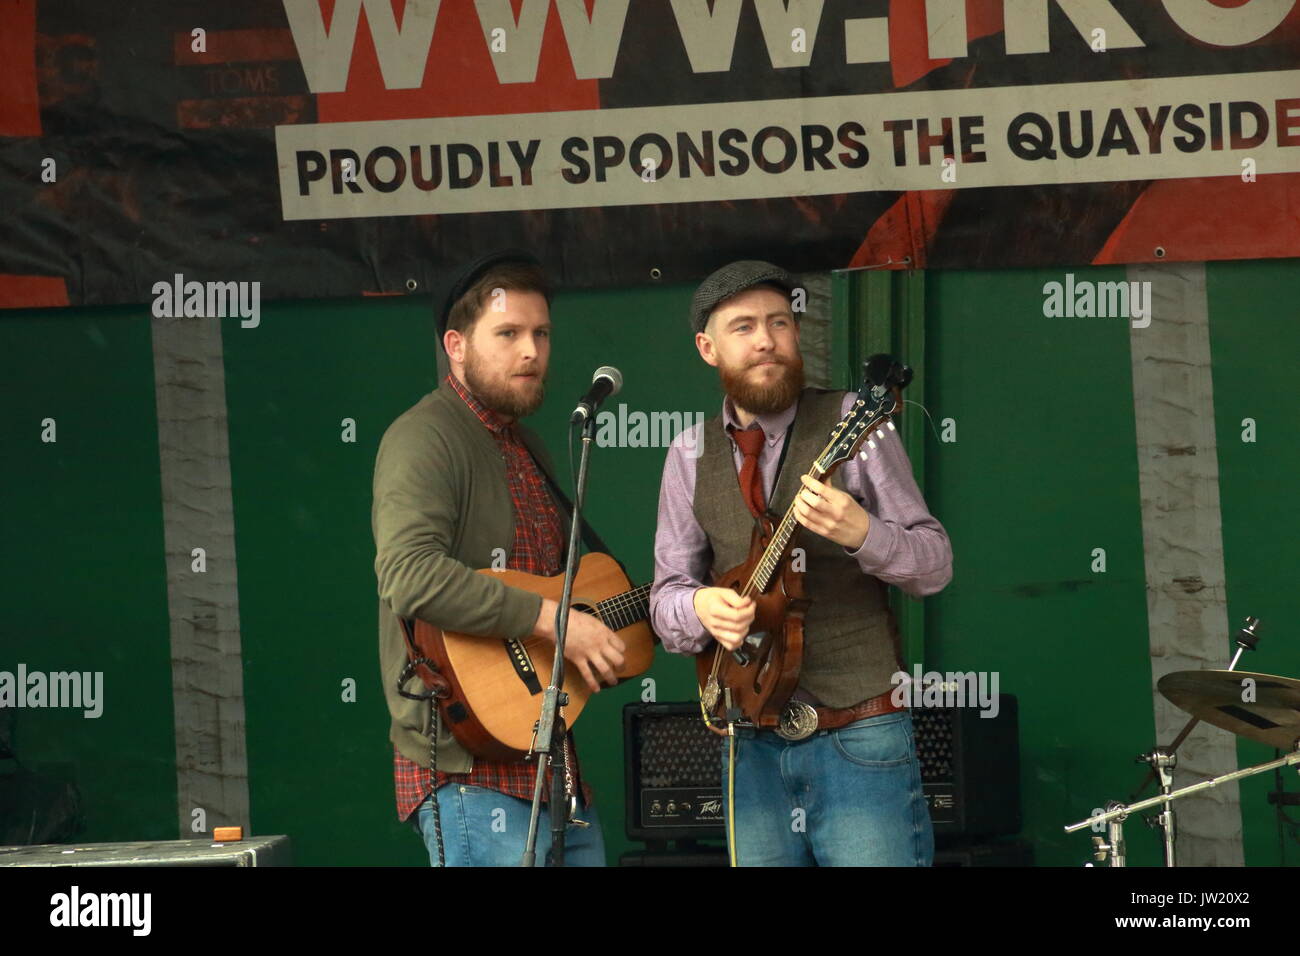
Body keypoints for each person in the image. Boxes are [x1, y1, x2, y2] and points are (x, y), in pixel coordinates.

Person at [648, 260, 953, 866]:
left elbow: (935, 565)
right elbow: (666, 598)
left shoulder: (851, 422)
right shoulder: (688, 451)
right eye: (743, 327)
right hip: (749, 739)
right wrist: (700, 606)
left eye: (779, 323)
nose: (765, 340)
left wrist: (863, 532)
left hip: (858, 733)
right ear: (708, 348)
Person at [372, 249, 626, 866]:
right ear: (456, 345)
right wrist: (552, 623)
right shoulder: (425, 435)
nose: (531, 351)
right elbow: (408, 576)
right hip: (468, 769)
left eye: (541, 334)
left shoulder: (525, 444)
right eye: (508, 334)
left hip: (551, 766)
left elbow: (552, 589)